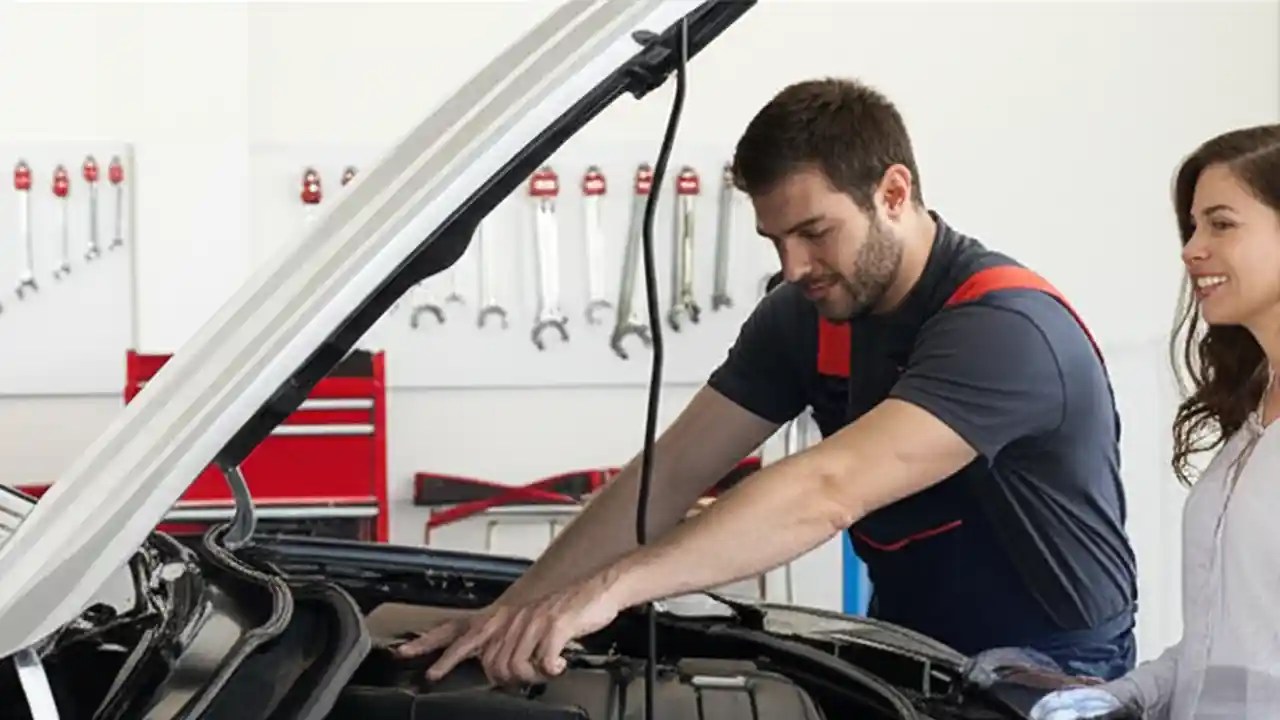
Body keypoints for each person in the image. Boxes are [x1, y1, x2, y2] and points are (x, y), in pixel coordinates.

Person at [397, 77, 1138, 686]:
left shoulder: (1005, 330)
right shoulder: (805, 315)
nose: (793, 267)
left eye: (814, 232)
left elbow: (827, 489)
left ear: (893, 191)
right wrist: (516, 607)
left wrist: (609, 591)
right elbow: (673, 470)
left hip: (1057, 668)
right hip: (912, 646)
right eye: (775, 240)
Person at [1030, 124, 1280, 719]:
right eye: (1193, 227)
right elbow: (1224, 645)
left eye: (1221, 224)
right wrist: (1123, 695)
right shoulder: (1254, 415)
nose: (1192, 249)